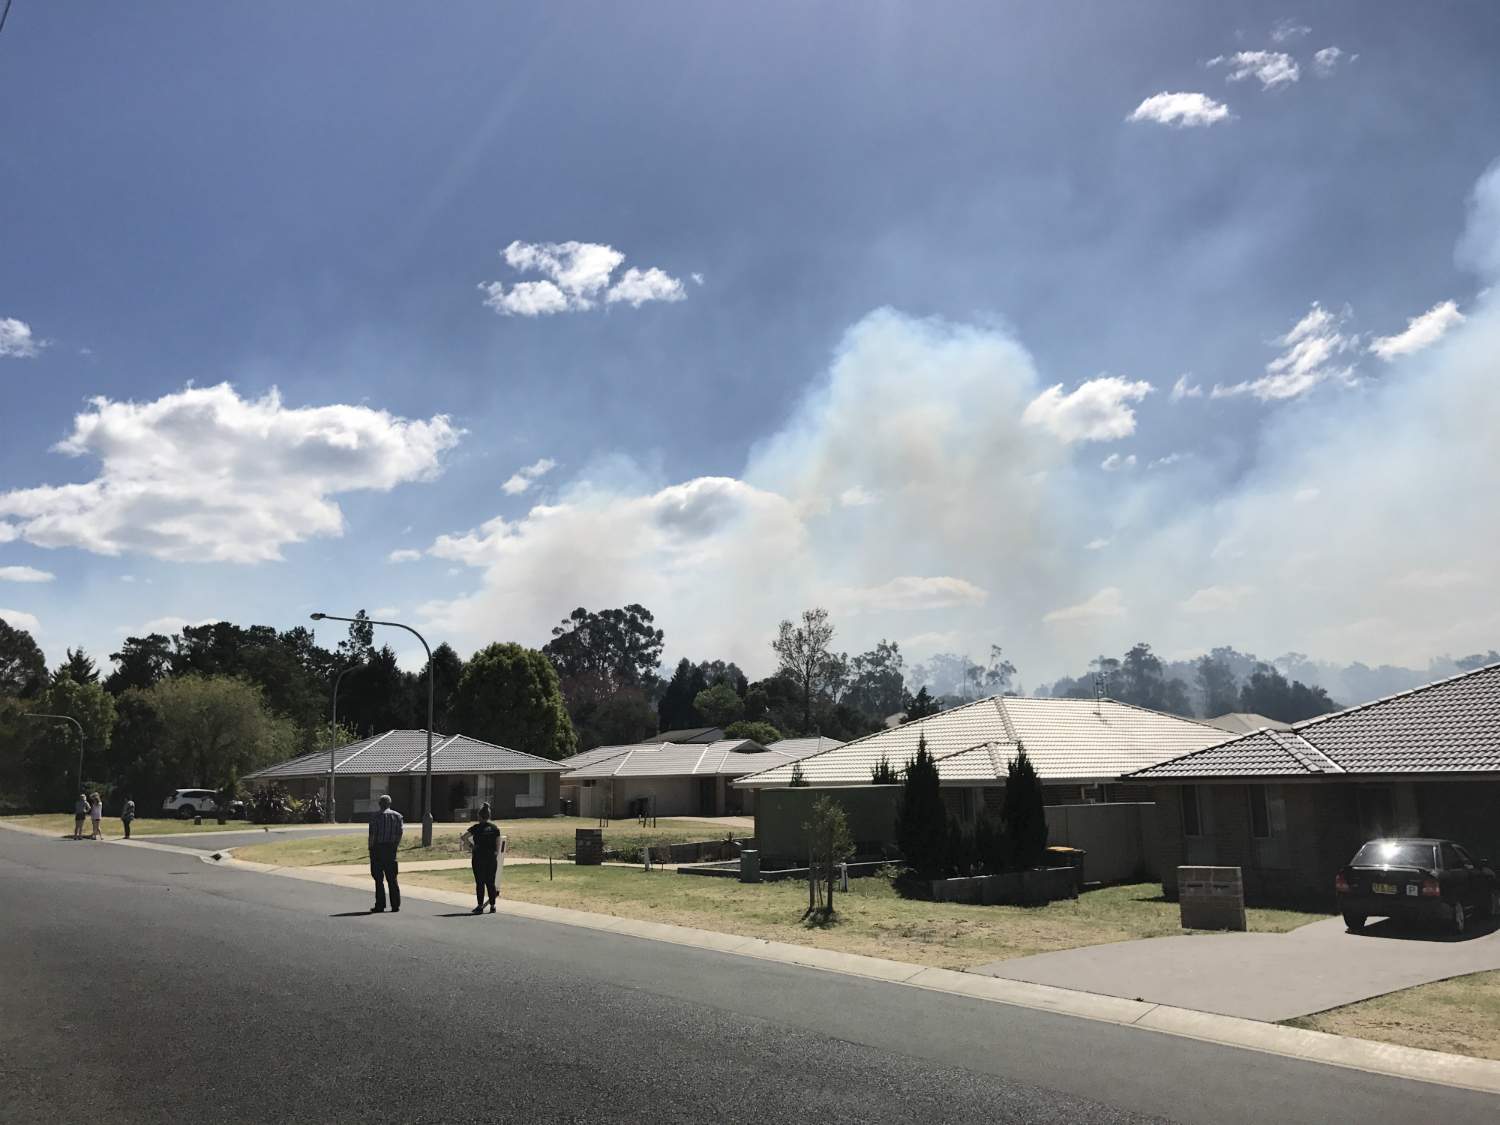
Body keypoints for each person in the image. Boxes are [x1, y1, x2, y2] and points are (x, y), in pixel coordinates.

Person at [459, 804, 502, 914]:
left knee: (480, 882)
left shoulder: (476, 828)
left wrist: (471, 846)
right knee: (490, 882)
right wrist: (495, 853)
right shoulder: (495, 828)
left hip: (478, 857)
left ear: (479, 816)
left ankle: (480, 905)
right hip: (491, 858)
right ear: (488, 815)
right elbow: (498, 844)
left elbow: (464, 837)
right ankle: (492, 906)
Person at [367, 794, 403, 913]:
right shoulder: (398, 817)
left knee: (379, 879)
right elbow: (400, 834)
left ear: (379, 804)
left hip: (378, 849)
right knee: (392, 878)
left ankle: (380, 904)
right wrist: (395, 846)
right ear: (390, 803)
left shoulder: (375, 817)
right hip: (391, 849)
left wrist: (370, 849)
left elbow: (372, 835)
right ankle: (395, 904)